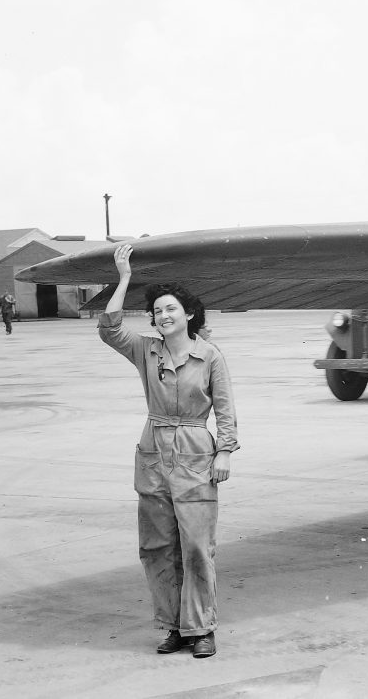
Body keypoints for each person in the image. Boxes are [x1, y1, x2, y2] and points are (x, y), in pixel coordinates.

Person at [98, 242, 238, 658]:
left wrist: (225, 450)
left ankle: (203, 628)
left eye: (171, 309)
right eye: (157, 311)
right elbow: (109, 328)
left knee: (196, 544)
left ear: (189, 314)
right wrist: (124, 278)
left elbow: (226, 408)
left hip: (196, 450)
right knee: (157, 545)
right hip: (154, 450)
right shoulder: (145, 349)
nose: (163, 316)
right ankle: (174, 626)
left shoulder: (209, 355)